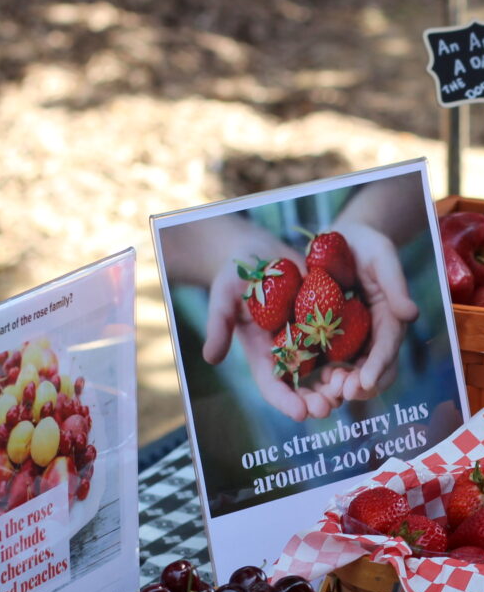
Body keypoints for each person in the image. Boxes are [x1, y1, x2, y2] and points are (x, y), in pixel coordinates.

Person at [160, 178, 423, 422]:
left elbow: (419, 179)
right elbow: (162, 230)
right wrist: (227, 249)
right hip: (254, 368)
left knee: (419, 425)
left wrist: (370, 222)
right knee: (306, 452)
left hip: (416, 329)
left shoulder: (324, 306)